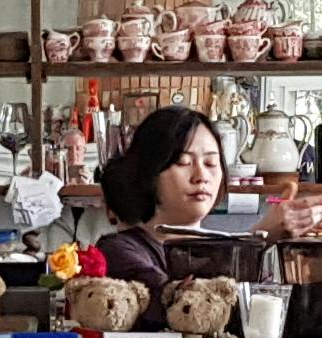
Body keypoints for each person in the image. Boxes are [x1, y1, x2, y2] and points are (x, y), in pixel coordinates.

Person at [88, 104, 230, 288]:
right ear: (150, 171)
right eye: (183, 162)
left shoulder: (219, 250)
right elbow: (177, 303)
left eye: (210, 163)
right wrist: (258, 242)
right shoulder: (118, 251)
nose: (201, 176)